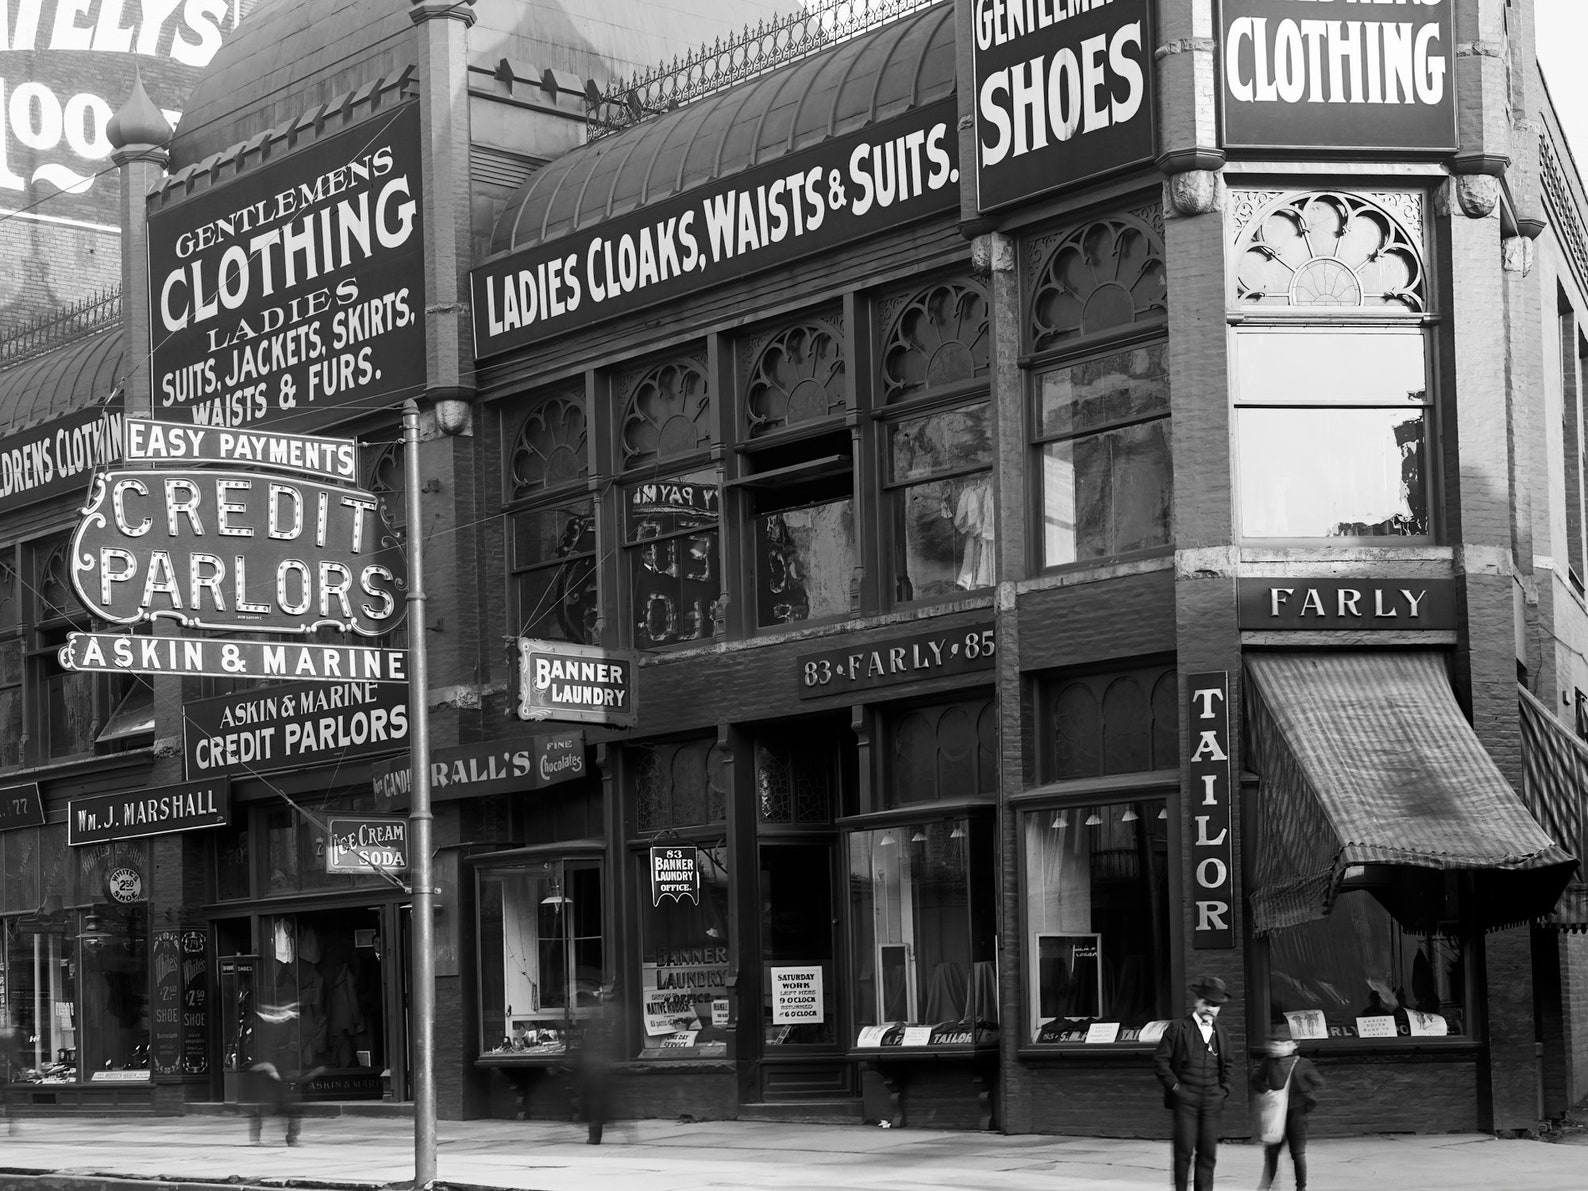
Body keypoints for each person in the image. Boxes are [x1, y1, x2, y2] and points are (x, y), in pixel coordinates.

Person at [1153, 974, 1234, 1191]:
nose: (1211, 1009)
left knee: (1208, 1153)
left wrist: (1224, 1090)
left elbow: (1229, 1064)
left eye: (1216, 1005)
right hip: (1185, 1099)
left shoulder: (1222, 1033)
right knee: (1183, 1152)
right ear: (1196, 1001)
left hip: (1211, 1100)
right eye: (1207, 1003)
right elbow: (1161, 1062)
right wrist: (1176, 1088)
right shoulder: (1178, 1028)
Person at [1251, 1023, 1325, 1191]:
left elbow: (1318, 1082)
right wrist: (1267, 1091)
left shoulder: (1303, 1063)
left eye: (1282, 1043)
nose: (1277, 1047)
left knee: (1297, 1153)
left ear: (1294, 1044)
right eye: (1274, 1043)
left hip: (1296, 1114)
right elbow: (1256, 1080)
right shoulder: (1269, 1062)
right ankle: (1268, 1184)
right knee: (1272, 1151)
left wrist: (1305, 1095)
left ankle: (1301, 1187)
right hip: (1276, 1112)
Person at [575, 983, 621, 1145]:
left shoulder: (597, 1018)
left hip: (594, 1068)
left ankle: (594, 1134)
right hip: (598, 1067)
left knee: (594, 1103)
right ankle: (595, 1133)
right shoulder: (603, 1017)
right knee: (597, 1103)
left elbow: (594, 1043)